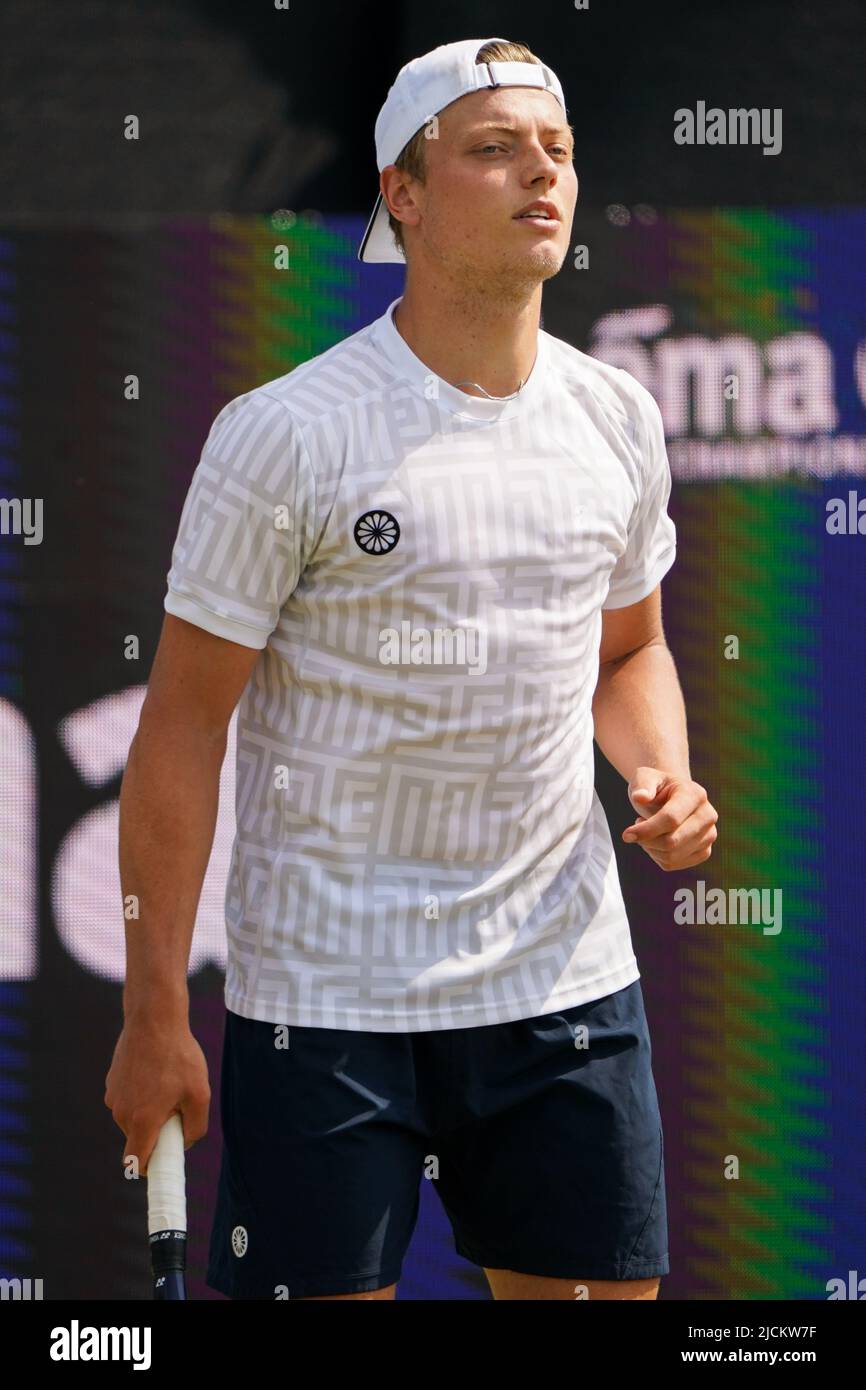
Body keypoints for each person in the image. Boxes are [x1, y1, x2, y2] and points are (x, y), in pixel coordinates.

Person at [105, 35, 718, 1301]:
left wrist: (659, 770)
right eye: (492, 151)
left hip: (563, 985)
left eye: (553, 151)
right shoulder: (282, 436)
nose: (537, 177)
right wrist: (153, 1013)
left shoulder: (615, 415)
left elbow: (631, 645)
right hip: (323, 1003)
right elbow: (179, 727)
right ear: (404, 192)